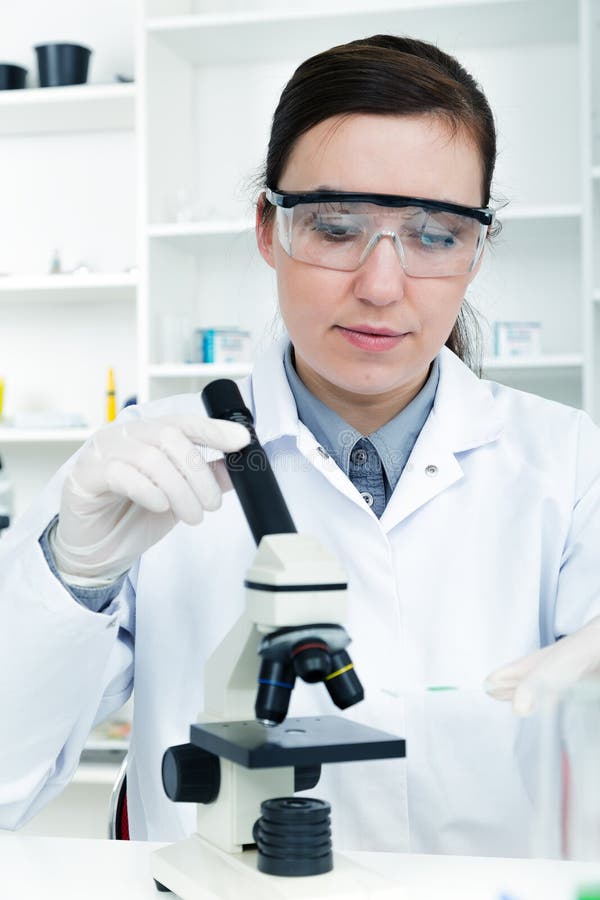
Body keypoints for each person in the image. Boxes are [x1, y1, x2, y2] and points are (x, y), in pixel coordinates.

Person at [1, 34, 599, 858]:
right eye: (336, 227)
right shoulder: (141, 466)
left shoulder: (568, 462)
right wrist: (71, 575)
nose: (381, 286)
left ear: (477, 250)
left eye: (435, 234)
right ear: (267, 229)